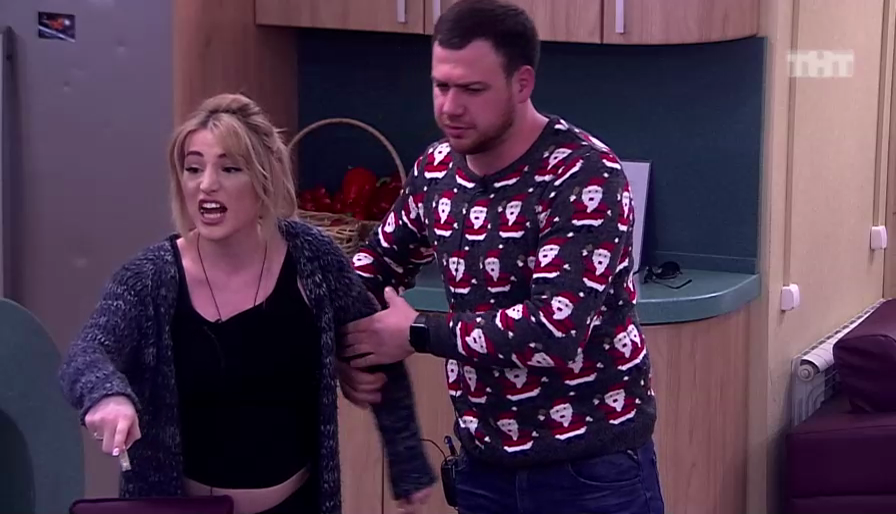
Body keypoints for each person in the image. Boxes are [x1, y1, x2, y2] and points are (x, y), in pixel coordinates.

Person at [337, 0, 664, 513]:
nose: (450, 107)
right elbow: (375, 264)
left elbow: (554, 330)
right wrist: (350, 345)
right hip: (483, 468)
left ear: (522, 83)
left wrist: (416, 332)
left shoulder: (582, 175)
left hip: (590, 472)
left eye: (472, 90)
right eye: (441, 86)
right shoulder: (437, 170)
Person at [58, 93, 435, 514]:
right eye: (193, 168)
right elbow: (86, 354)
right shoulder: (149, 278)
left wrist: (406, 458)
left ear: (263, 178)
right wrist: (108, 395)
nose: (206, 184)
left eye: (229, 168)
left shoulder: (312, 258)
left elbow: (373, 346)